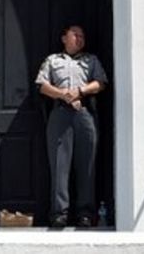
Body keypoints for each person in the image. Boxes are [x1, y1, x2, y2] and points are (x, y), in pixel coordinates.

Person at [35, 24, 108, 228]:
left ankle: (85, 212)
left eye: (82, 36)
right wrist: (64, 95)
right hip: (60, 113)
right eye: (75, 35)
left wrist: (80, 91)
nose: (79, 39)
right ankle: (59, 213)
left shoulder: (91, 60)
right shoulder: (53, 60)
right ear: (64, 38)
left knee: (87, 164)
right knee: (59, 164)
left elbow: (100, 82)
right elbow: (42, 85)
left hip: (84, 113)